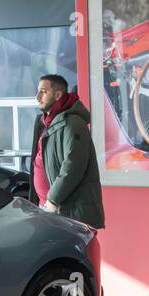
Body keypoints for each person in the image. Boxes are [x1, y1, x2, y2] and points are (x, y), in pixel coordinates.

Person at [30, 74, 104, 229]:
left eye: (43, 92)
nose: (37, 97)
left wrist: (52, 201)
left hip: (64, 212)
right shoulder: (47, 123)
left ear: (57, 95)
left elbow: (72, 167)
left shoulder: (73, 124)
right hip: (49, 210)